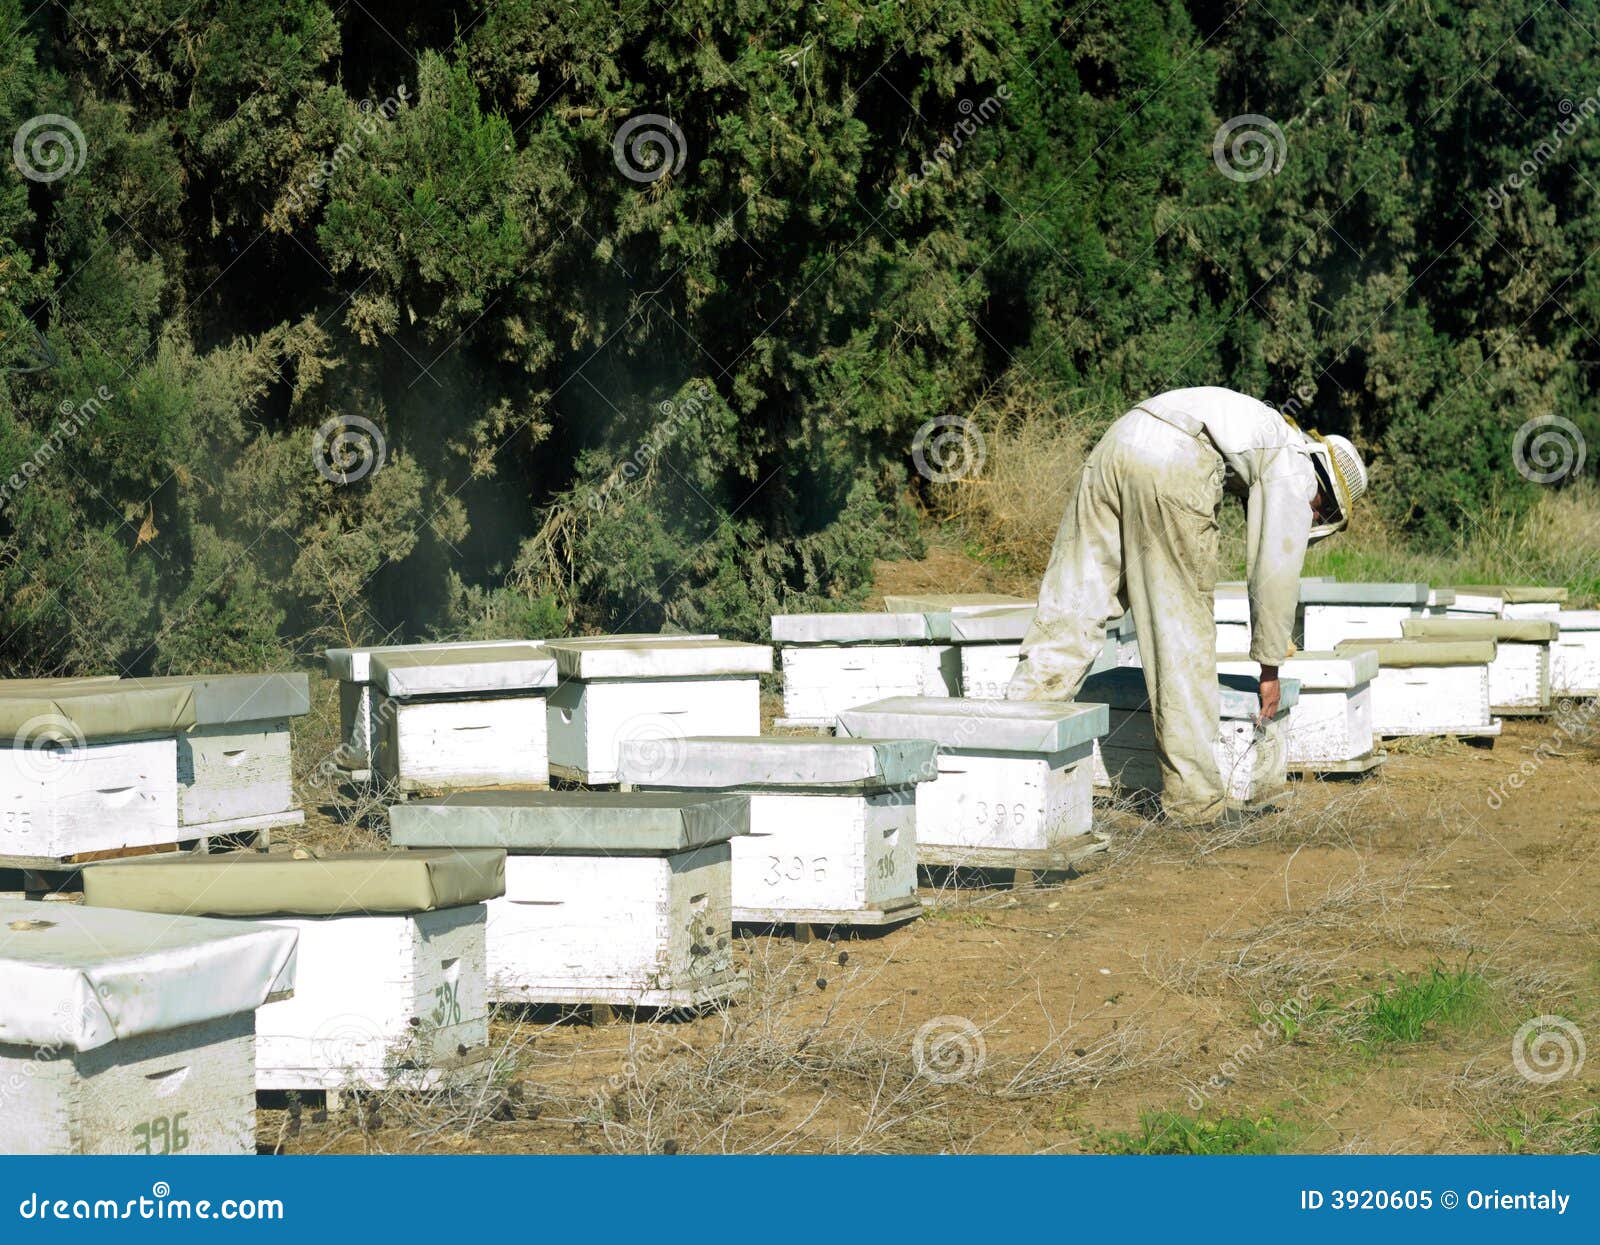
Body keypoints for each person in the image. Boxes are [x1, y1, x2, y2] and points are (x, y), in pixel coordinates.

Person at [1005, 386, 1367, 825]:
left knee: (1073, 605)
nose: (1313, 520)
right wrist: (1270, 667)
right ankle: (1196, 803)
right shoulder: (1297, 469)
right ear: (1325, 492)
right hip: (1175, 461)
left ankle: (1011, 753)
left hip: (1116, 442)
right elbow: (1274, 571)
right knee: (1180, 633)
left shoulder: (1261, 426)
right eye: (1320, 514)